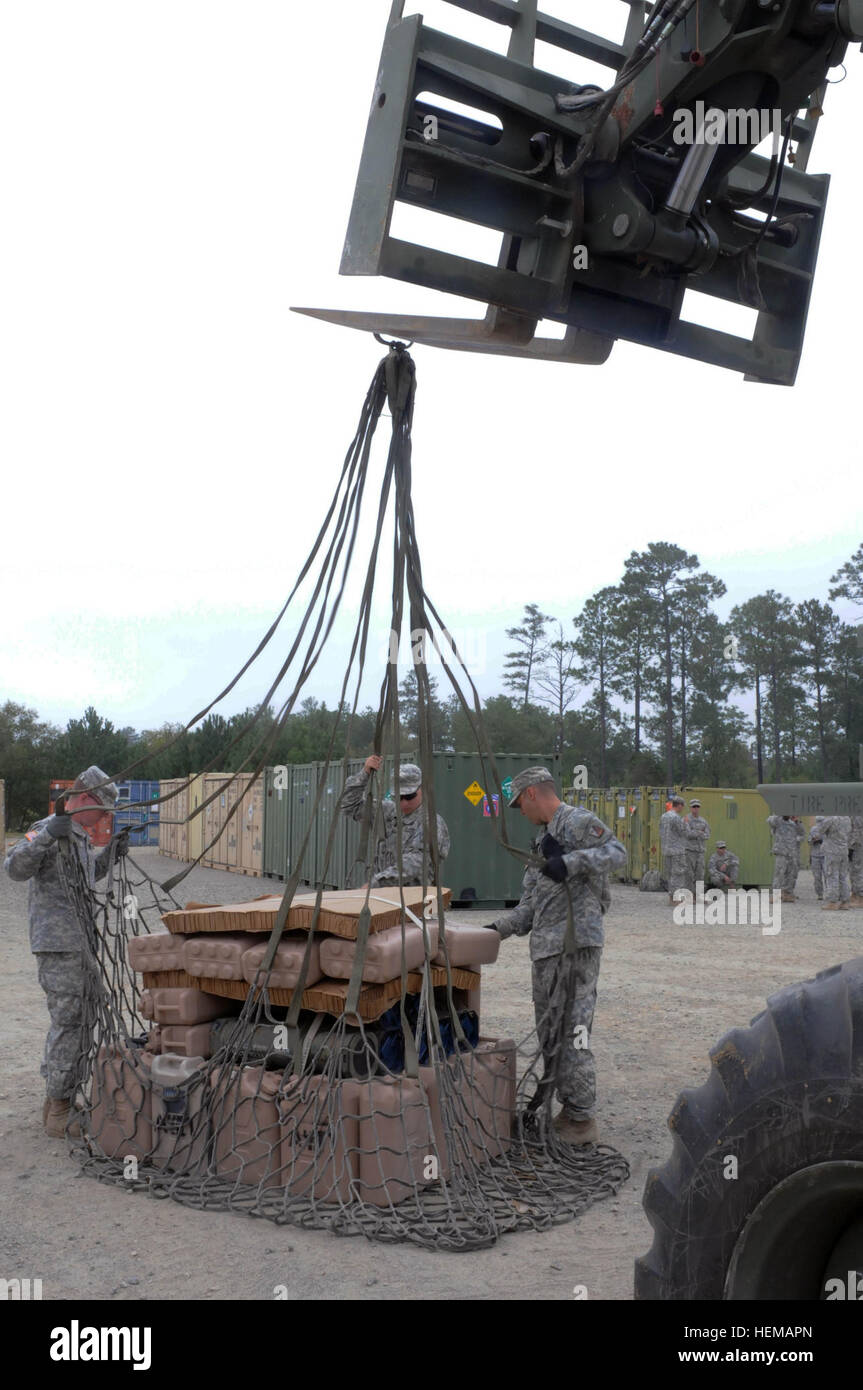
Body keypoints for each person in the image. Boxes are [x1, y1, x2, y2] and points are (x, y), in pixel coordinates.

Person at [490, 767, 625, 1147]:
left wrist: (570, 861)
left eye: (519, 804)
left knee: (573, 1032)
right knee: (550, 1033)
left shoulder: (576, 822)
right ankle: (562, 1109)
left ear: (532, 793)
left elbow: (617, 853)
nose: (520, 812)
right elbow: (529, 908)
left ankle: (581, 1120)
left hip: (576, 944)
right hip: (546, 952)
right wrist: (493, 931)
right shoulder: (541, 841)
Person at [4, 766, 126, 1137]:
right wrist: (44, 838)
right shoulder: (49, 827)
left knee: (81, 1022)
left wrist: (110, 856)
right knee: (70, 1023)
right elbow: (13, 867)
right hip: (58, 946)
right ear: (85, 798)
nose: (104, 819)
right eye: (102, 810)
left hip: (80, 945)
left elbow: (83, 882)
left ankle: (59, 1098)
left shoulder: (80, 836)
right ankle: (58, 1110)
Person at [341, 755, 450, 888]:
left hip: (414, 901)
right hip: (380, 897)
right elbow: (349, 806)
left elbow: (415, 862)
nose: (403, 802)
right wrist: (364, 774)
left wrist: (377, 882)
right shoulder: (387, 812)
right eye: (398, 797)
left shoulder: (431, 823)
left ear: (422, 790)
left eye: (409, 796)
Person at [659, 794, 690, 904]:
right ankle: (676, 898)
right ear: (679, 805)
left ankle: (671, 898)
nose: (683, 808)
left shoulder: (664, 816)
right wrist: (686, 822)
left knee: (670, 875)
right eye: (682, 806)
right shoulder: (676, 818)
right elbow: (684, 832)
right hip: (677, 850)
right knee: (678, 874)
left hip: (666, 850)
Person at [767, 813, 801, 905]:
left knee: (790, 874)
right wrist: (780, 812)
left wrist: (798, 821)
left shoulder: (793, 823)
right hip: (781, 852)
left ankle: (787, 894)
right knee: (779, 874)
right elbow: (770, 821)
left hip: (791, 853)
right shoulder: (777, 821)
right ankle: (775, 895)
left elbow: (801, 833)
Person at [819, 814, 852, 910]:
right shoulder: (847, 818)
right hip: (844, 850)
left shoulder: (830, 818)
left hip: (832, 851)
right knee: (842, 877)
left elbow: (820, 830)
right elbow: (849, 832)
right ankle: (845, 902)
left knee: (832, 875)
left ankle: (832, 902)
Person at [684, 798, 710, 893]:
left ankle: (698, 895)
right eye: (694, 806)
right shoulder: (686, 819)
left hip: (700, 851)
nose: (696, 808)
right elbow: (688, 834)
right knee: (689, 874)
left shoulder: (703, 821)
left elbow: (707, 835)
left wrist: (695, 832)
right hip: (689, 851)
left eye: (697, 807)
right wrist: (700, 832)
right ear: (690, 808)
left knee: (700, 874)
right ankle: (689, 895)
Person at [808, 818, 826, 901]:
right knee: (817, 876)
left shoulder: (827, 828)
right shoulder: (813, 829)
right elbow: (809, 841)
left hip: (825, 855)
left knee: (828, 875)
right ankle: (820, 894)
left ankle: (830, 893)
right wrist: (813, 840)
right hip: (815, 855)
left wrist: (822, 840)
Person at [848, 816, 863, 907]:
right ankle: (855, 895)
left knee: (858, 871)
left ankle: (861, 898)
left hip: (858, 845)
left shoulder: (857, 815)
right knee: (854, 871)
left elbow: (856, 832)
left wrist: (851, 846)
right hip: (856, 845)